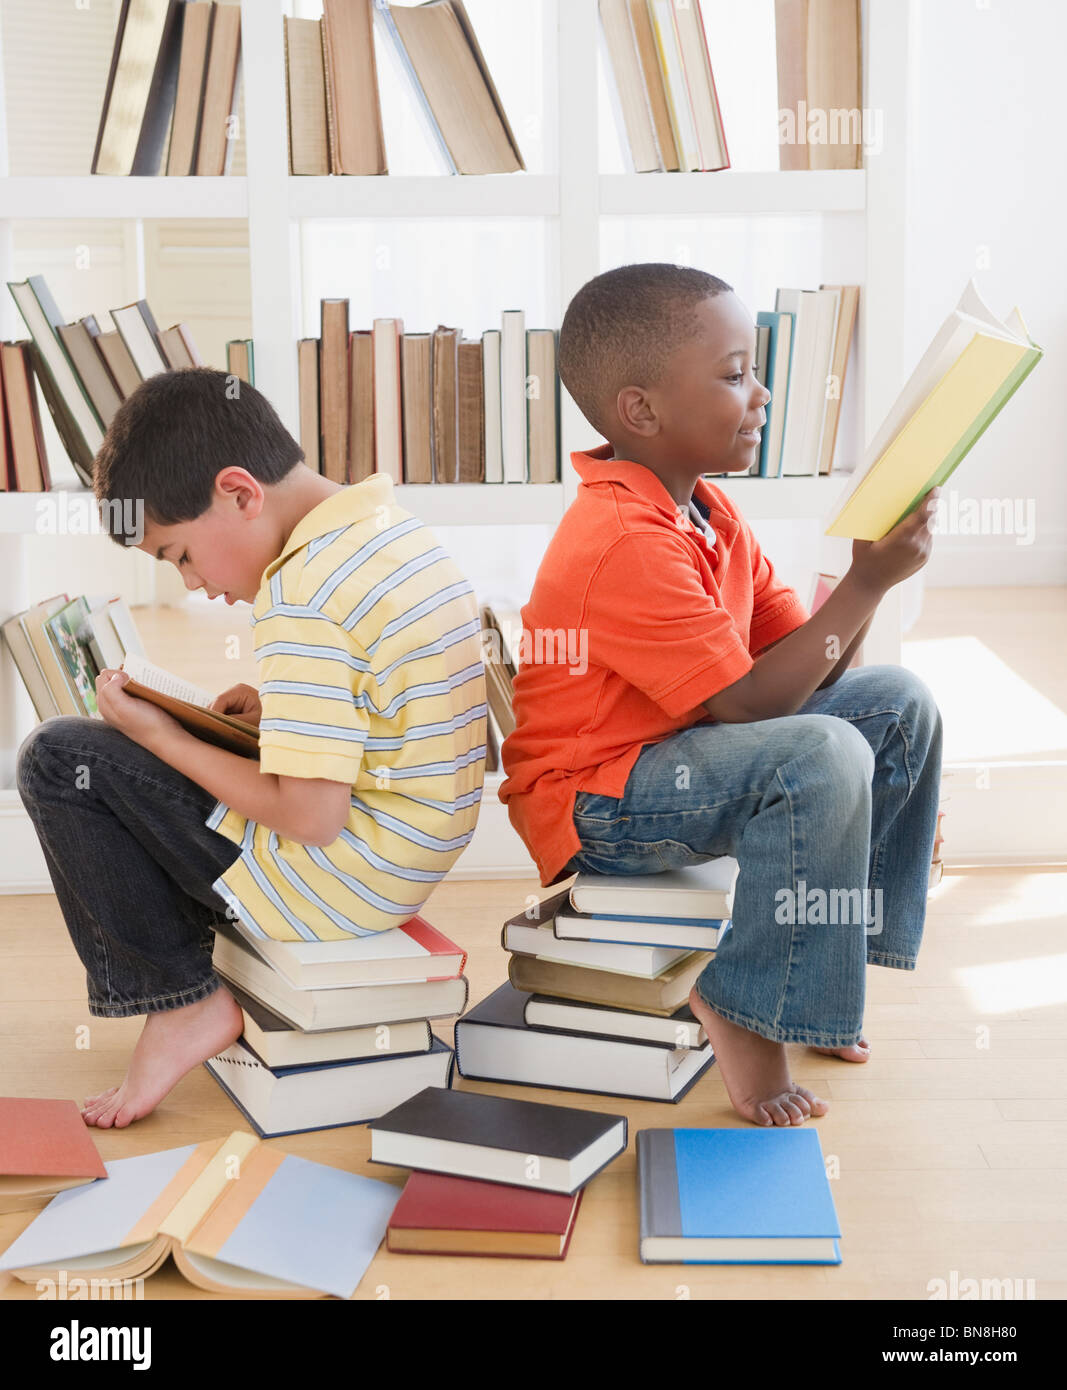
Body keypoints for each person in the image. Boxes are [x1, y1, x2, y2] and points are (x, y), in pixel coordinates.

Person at [499, 263, 942, 1128]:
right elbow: (751, 707)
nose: (764, 394)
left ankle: (827, 967)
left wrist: (871, 582)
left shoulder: (705, 512)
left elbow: (810, 667)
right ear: (642, 412)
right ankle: (745, 1013)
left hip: (680, 760)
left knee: (895, 704)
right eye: (736, 374)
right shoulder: (622, 537)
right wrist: (863, 582)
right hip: (598, 798)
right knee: (819, 752)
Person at [17, 368, 487, 1128]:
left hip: (341, 878)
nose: (194, 583)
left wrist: (163, 737)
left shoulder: (301, 591)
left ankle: (181, 1000)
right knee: (130, 753)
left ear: (239, 492)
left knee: (60, 759)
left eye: (180, 555)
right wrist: (279, 713)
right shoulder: (387, 531)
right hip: (405, 858)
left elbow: (308, 817)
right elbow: (390, 701)